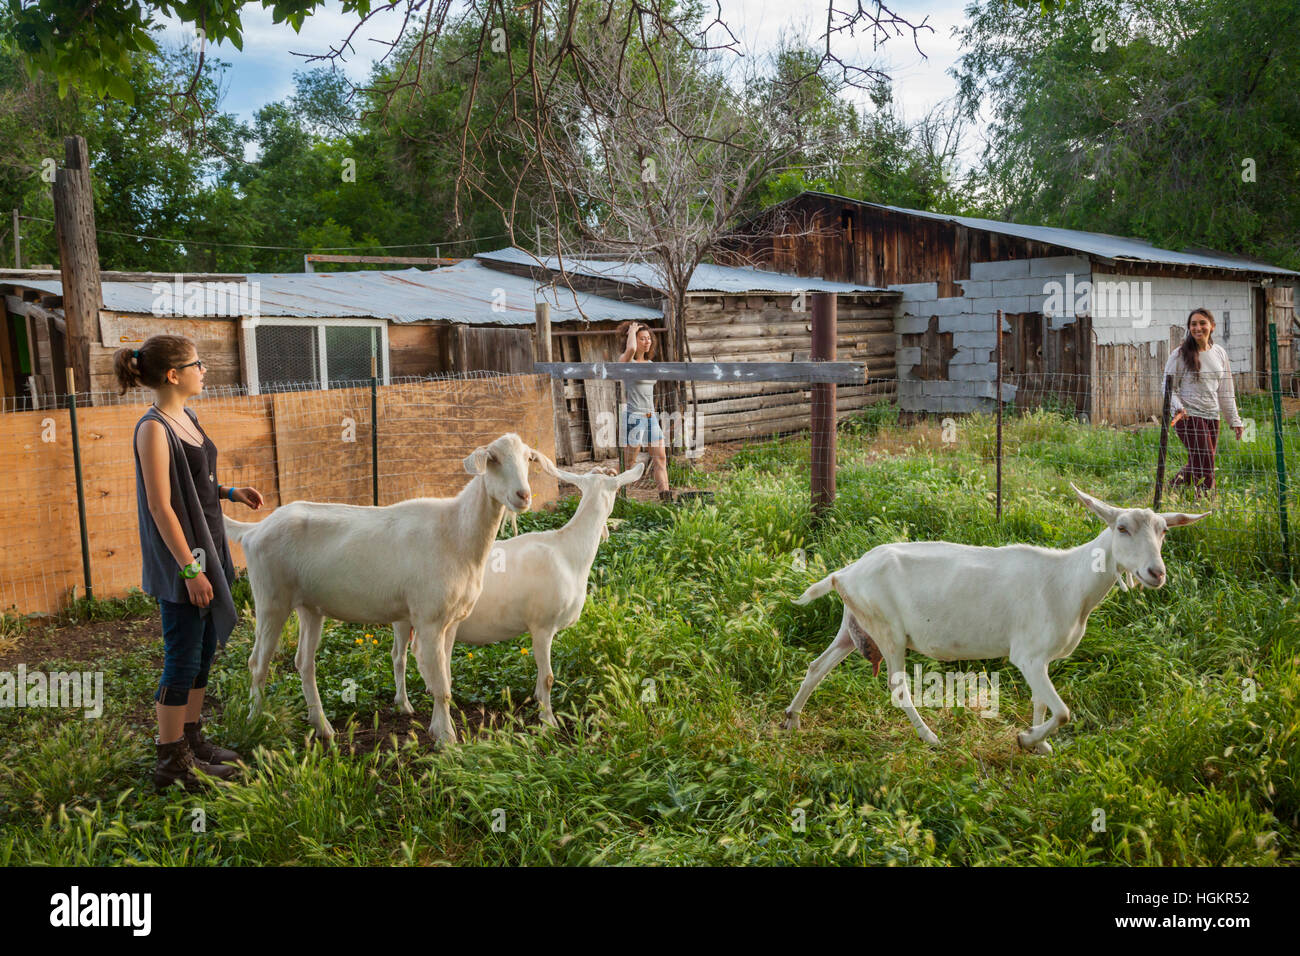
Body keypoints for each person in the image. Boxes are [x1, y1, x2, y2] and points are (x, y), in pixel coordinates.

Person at [114, 334, 265, 791]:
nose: (205, 371)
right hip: (183, 560)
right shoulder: (153, 428)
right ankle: (170, 764)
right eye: (198, 364)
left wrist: (228, 492)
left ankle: (191, 740)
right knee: (181, 657)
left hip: (206, 550)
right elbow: (162, 506)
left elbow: (193, 485)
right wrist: (189, 570)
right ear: (174, 375)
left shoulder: (188, 417)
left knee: (201, 655)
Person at [1161, 307, 1244, 494]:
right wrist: (1179, 408)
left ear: (1212, 326)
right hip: (1188, 416)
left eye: (1202, 323)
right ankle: (1205, 501)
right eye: (1193, 324)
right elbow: (1167, 387)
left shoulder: (1219, 353)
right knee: (1206, 461)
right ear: (1189, 328)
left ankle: (1170, 488)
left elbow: (1226, 391)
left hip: (1212, 417)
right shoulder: (1180, 354)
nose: (1198, 327)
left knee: (1200, 461)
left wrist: (1235, 420)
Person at [616, 321, 670, 500]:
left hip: (650, 416)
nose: (647, 342)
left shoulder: (651, 363)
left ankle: (666, 499)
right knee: (629, 463)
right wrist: (632, 330)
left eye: (648, 339)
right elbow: (630, 349)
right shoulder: (626, 361)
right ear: (633, 340)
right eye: (642, 338)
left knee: (660, 458)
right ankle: (615, 497)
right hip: (634, 417)